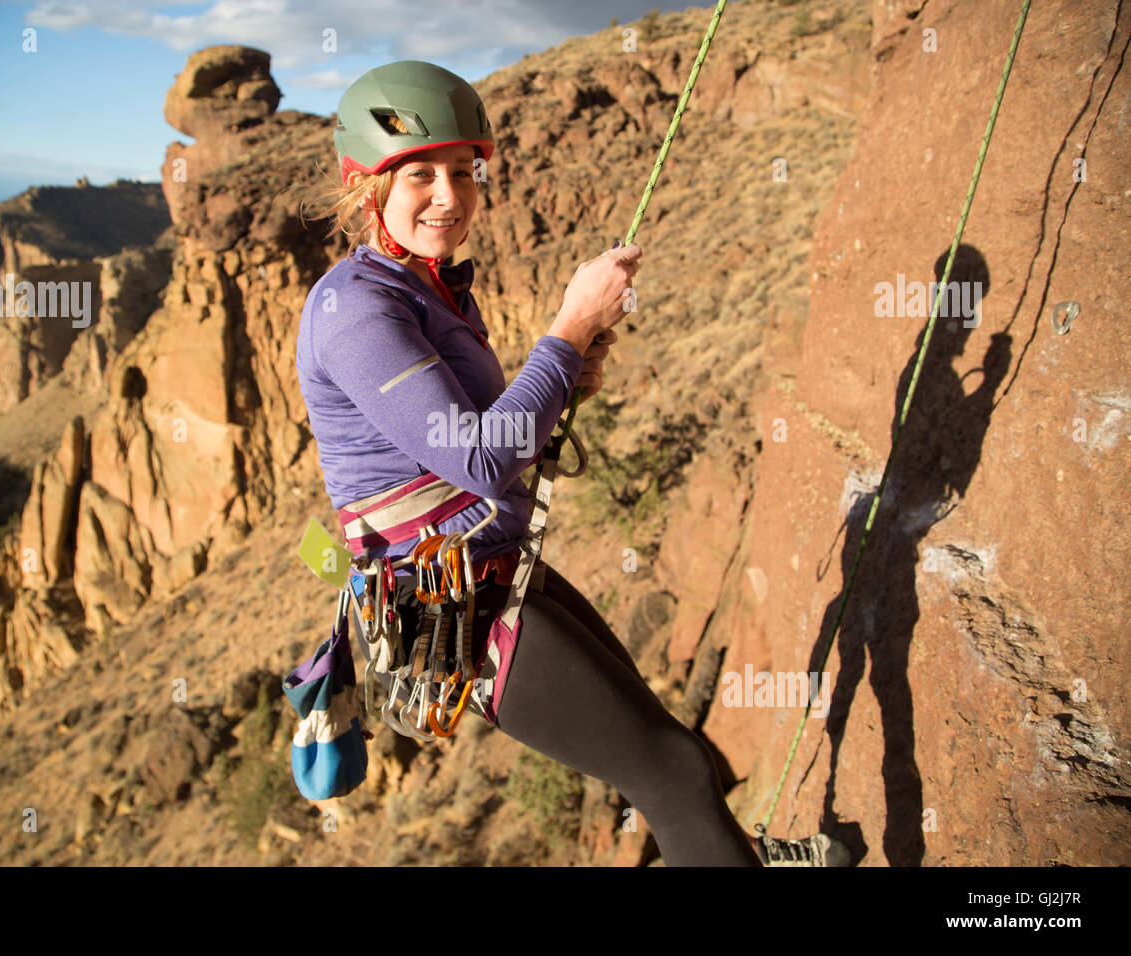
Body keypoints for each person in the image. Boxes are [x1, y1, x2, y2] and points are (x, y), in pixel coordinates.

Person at [296, 60, 847, 867]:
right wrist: (569, 326)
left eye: (463, 171)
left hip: (486, 572)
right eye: (418, 175)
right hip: (449, 608)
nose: (449, 195)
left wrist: (566, 365)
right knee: (671, 769)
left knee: (670, 755)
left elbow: (472, 435)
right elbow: (482, 457)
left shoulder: (426, 287)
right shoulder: (356, 307)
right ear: (365, 186)